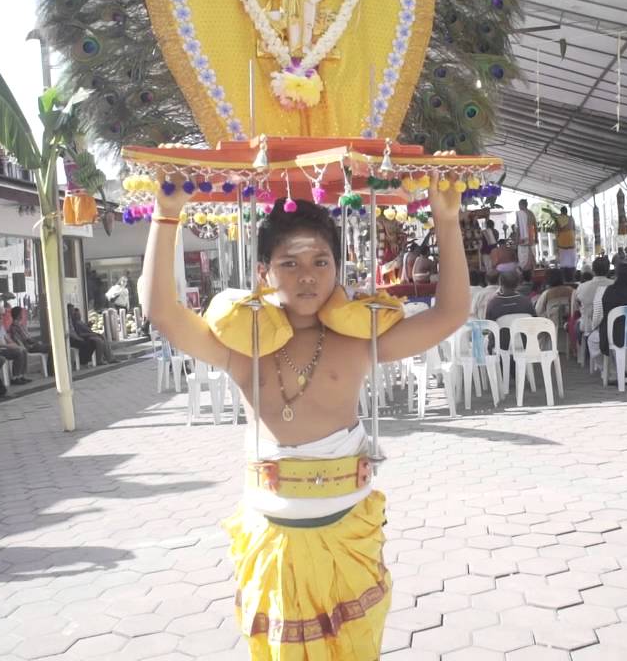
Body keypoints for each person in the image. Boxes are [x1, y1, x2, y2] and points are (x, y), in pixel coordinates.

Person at [143, 182, 469, 660]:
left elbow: (451, 313)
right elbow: (162, 313)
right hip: (272, 540)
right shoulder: (239, 346)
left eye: (320, 262)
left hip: (348, 536)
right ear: (262, 272)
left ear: (337, 269)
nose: (307, 276)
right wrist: (165, 215)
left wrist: (446, 220)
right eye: (289, 263)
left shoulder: (359, 340)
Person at [0, 308, 31, 384]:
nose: (1, 317)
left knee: (23, 350)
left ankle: (21, 376)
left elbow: (7, 338)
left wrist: (15, 345)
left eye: (2, 315)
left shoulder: (0, 325)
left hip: (4, 349)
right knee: (19, 352)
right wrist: (8, 346)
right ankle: (15, 378)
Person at [555, 206, 577, 282]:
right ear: (566, 212)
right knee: (571, 263)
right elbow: (574, 229)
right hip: (571, 243)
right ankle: (572, 279)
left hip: (562, 244)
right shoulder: (571, 218)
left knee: (563, 264)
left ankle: (564, 280)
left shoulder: (558, 219)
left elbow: (557, 230)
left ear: (561, 212)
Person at [516, 199, 538, 271]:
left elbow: (518, 228)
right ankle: (532, 273)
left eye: (519, 205)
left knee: (523, 258)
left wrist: (517, 239)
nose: (519, 207)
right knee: (532, 255)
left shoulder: (519, 213)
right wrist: (536, 238)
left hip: (523, 239)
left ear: (521, 205)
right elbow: (536, 227)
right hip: (531, 238)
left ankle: (525, 274)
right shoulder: (531, 213)